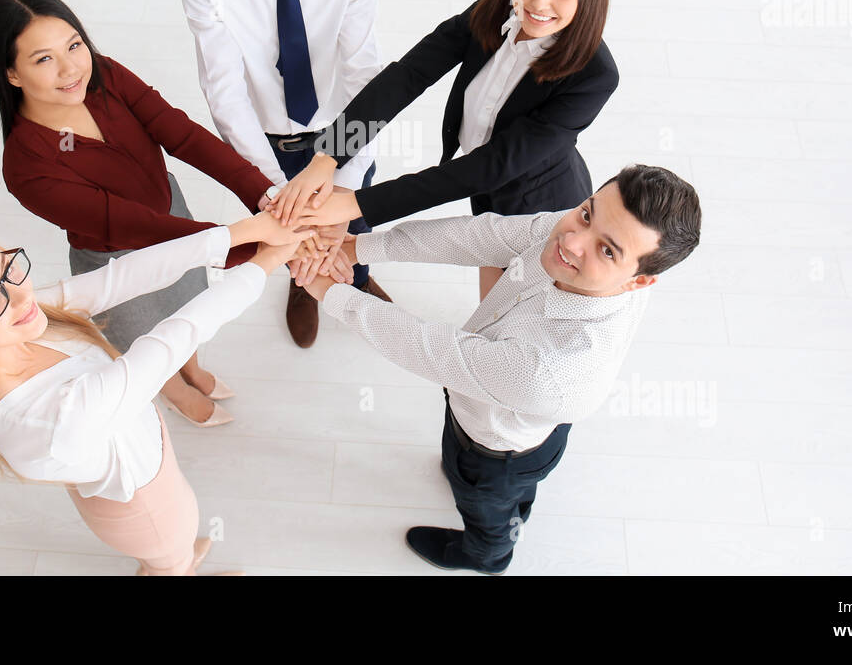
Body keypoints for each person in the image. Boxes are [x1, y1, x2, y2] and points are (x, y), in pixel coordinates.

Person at [296, 164, 701, 574]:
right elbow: (481, 237)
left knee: (483, 505)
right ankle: (517, 505)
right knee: (515, 490)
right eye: (586, 213)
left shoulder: (549, 371)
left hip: (492, 451)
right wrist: (357, 248)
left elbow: (432, 349)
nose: (573, 241)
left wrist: (328, 291)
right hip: (530, 427)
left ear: (639, 282)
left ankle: (487, 556)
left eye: (607, 250)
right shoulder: (579, 237)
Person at [0, 211, 313, 576]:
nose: (20, 295)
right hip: (148, 508)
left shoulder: (14, 323)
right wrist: (266, 262)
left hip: (141, 471)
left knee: (171, 546)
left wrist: (246, 233)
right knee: (174, 552)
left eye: (7, 269)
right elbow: (174, 339)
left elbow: (118, 279)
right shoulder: (53, 418)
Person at [0, 0, 308, 426]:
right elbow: (125, 224)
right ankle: (174, 390)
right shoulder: (25, 166)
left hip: (174, 215)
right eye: (43, 59)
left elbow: (180, 133)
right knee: (146, 338)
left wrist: (263, 195)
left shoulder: (106, 76)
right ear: (13, 75)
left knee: (189, 302)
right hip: (115, 258)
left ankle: (192, 367)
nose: (70, 69)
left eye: (74, 46)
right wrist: (249, 243)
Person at [271, 0, 619, 301]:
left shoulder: (596, 76)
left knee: (513, 316)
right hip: (486, 195)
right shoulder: (499, 8)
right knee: (489, 306)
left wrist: (353, 204)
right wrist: (327, 159)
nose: (538, 2)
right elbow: (409, 75)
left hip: (541, 208)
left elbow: (492, 165)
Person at [178, 0, 391, 350]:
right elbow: (223, 89)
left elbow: (366, 73)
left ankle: (355, 273)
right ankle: (305, 283)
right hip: (265, 135)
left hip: (343, 126)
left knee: (350, 218)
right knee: (292, 229)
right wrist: (278, 196)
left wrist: (346, 179)